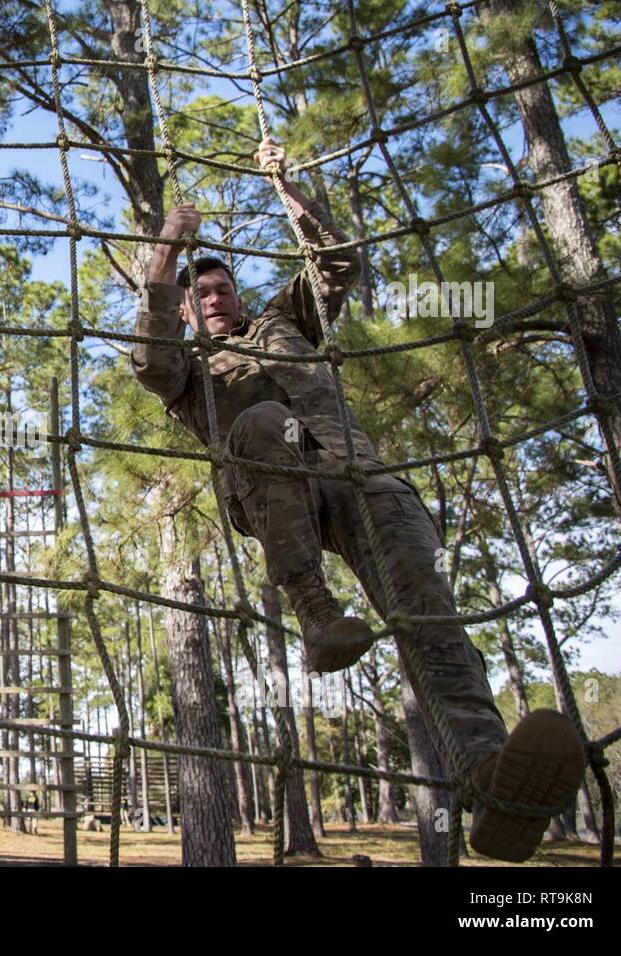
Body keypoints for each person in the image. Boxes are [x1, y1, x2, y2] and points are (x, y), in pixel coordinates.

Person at [129, 135, 586, 863]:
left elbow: (340, 263)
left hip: (356, 473)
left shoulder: (285, 321)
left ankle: (487, 778)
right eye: (199, 294)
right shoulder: (190, 369)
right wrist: (165, 254)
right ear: (187, 310)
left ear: (239, 295)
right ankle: (316, 613)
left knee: (427, 608)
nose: (212, 299)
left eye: (220, 288)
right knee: (263, 419)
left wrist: (288, 185)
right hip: (273, 484)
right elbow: (150, 359)